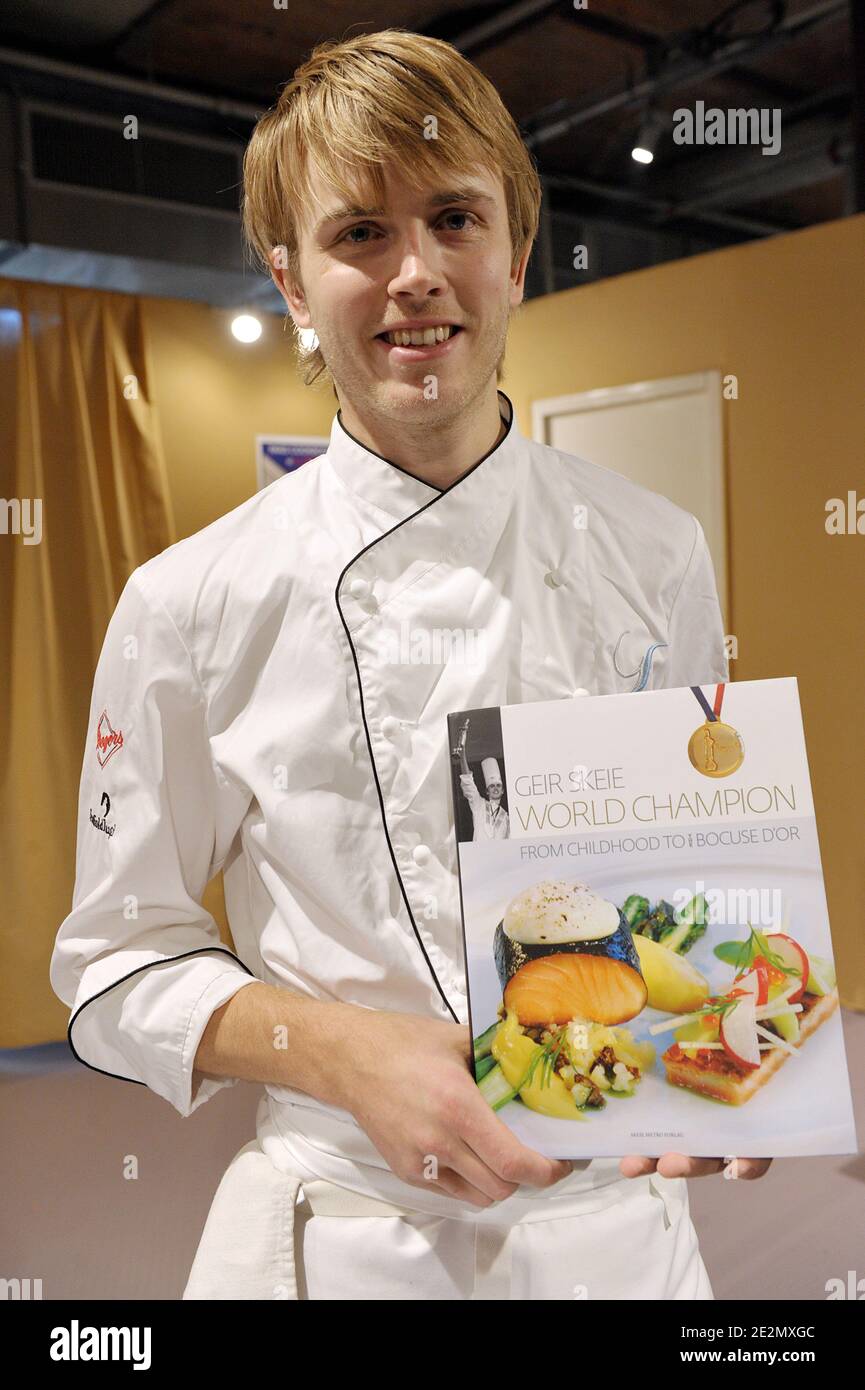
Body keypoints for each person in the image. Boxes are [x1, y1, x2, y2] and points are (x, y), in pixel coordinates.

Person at [50, 28, 770, 1302]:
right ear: (290, 283)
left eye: (454, 219)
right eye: (360, 234)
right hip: (344, 1236)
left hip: (621, 1236)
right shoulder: (191, 600)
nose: (417, 274)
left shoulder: (658, 549)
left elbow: (679, 880)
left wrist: (726, 1031)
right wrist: (334, 1049)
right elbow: (113, 962)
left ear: (516, 252)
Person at [458, 751, 509, 840]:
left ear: (502, 791)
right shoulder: (479, 805)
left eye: (498, 785)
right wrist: (462, 756)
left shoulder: (506, 817)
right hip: (477, 849)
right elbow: (468, 782)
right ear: (487, 791)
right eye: (492, 786)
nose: (495, 788)